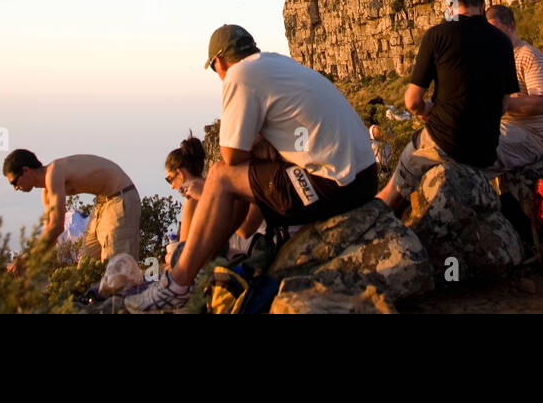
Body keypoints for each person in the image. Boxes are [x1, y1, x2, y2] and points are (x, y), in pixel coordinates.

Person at [125, 24, 376, 312]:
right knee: (241, 175)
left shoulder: (239, 74)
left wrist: (254, 143)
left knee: (219, 175)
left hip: (333, 184)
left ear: (219, 61)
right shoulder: (276, 64)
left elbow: (230, 157)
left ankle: (176, 284)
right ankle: (204, 266)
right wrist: (260, 144)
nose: (218, 76)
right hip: (362, 177)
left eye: (214, 70)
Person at [373, 0, 516, 214]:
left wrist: (426, 110)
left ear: (451, 6)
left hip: (446, 140)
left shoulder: (437, 35)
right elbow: (505, 105)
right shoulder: (503, 41)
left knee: (397, 182)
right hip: (486, 150)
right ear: (481, 6)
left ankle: (381, 220)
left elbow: (412, 102)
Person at [4, 150, 141, 264]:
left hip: (120, 197)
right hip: (103, 202)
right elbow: (50, 233)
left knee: (117, 269)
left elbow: (57, 227)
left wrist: (25, 259)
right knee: (86, 267)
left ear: (26, 170)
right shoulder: (46, 192)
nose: (16, 188)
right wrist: (29, 262)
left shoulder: (54, 173)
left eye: (14, 182)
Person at [485, 4, 543, 170]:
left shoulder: (529, 56)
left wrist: (505, 103)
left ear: (512, 26)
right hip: (500, 129)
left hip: (529, 135)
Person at [164, 134, 206, 258]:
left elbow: (185, 248)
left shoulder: (191, 198)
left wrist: (171, 257)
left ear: (180, 173)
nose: (172, 186)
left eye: (170, 179)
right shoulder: (211, 187)